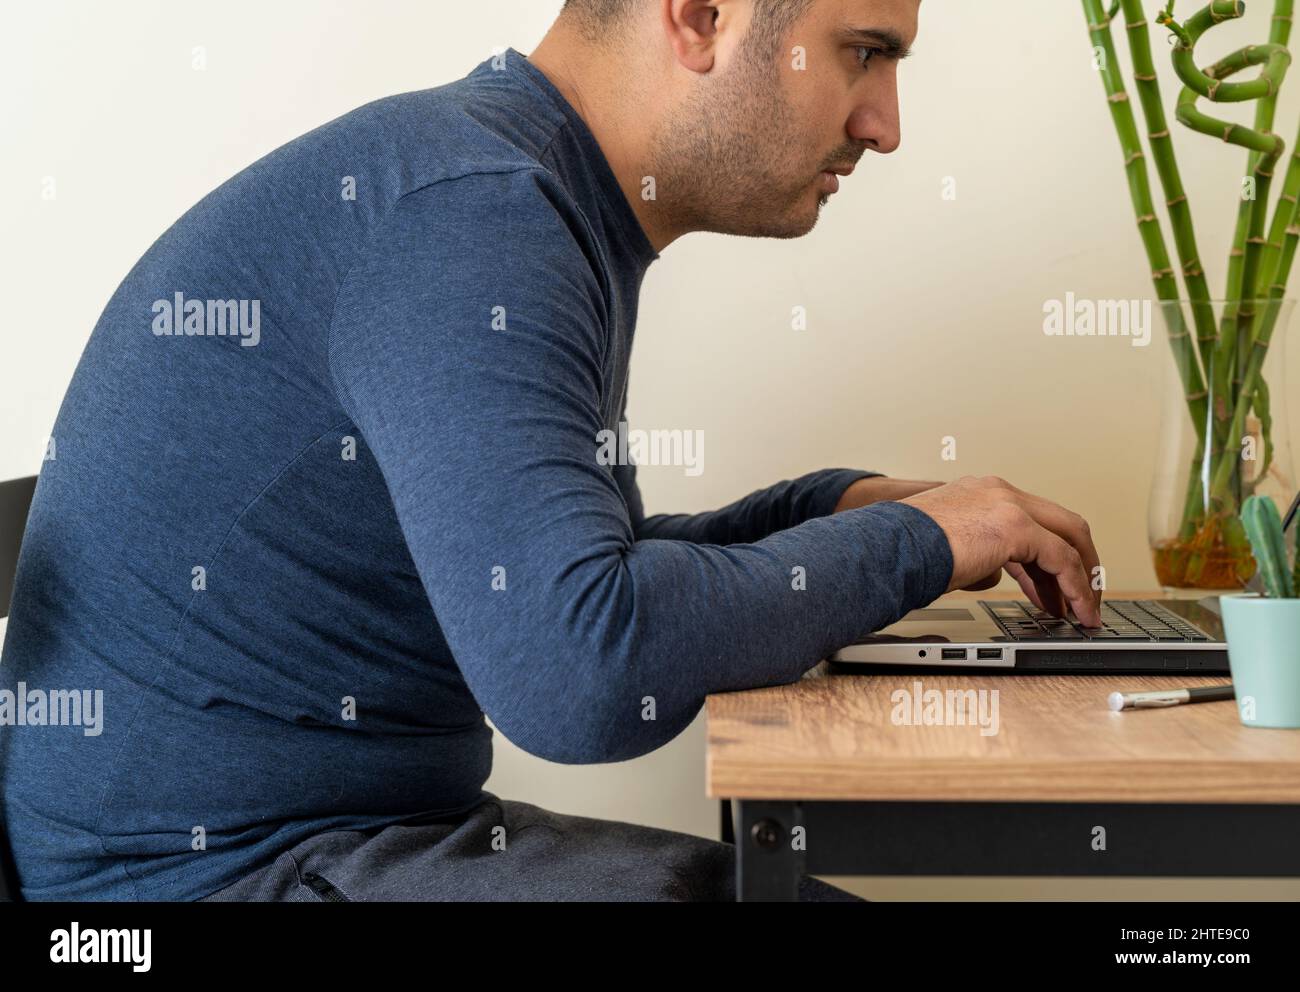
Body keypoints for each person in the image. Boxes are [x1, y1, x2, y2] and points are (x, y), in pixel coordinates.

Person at [0, 0, 1101, 902]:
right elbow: (581, 670)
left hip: (322, 842)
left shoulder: (511, 190)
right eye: (864, 52)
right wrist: (910, 543)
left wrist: (841, 509)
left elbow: (568, 582)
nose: (885, 124)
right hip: (201, 883)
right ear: (703, 17)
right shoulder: (478, 217)